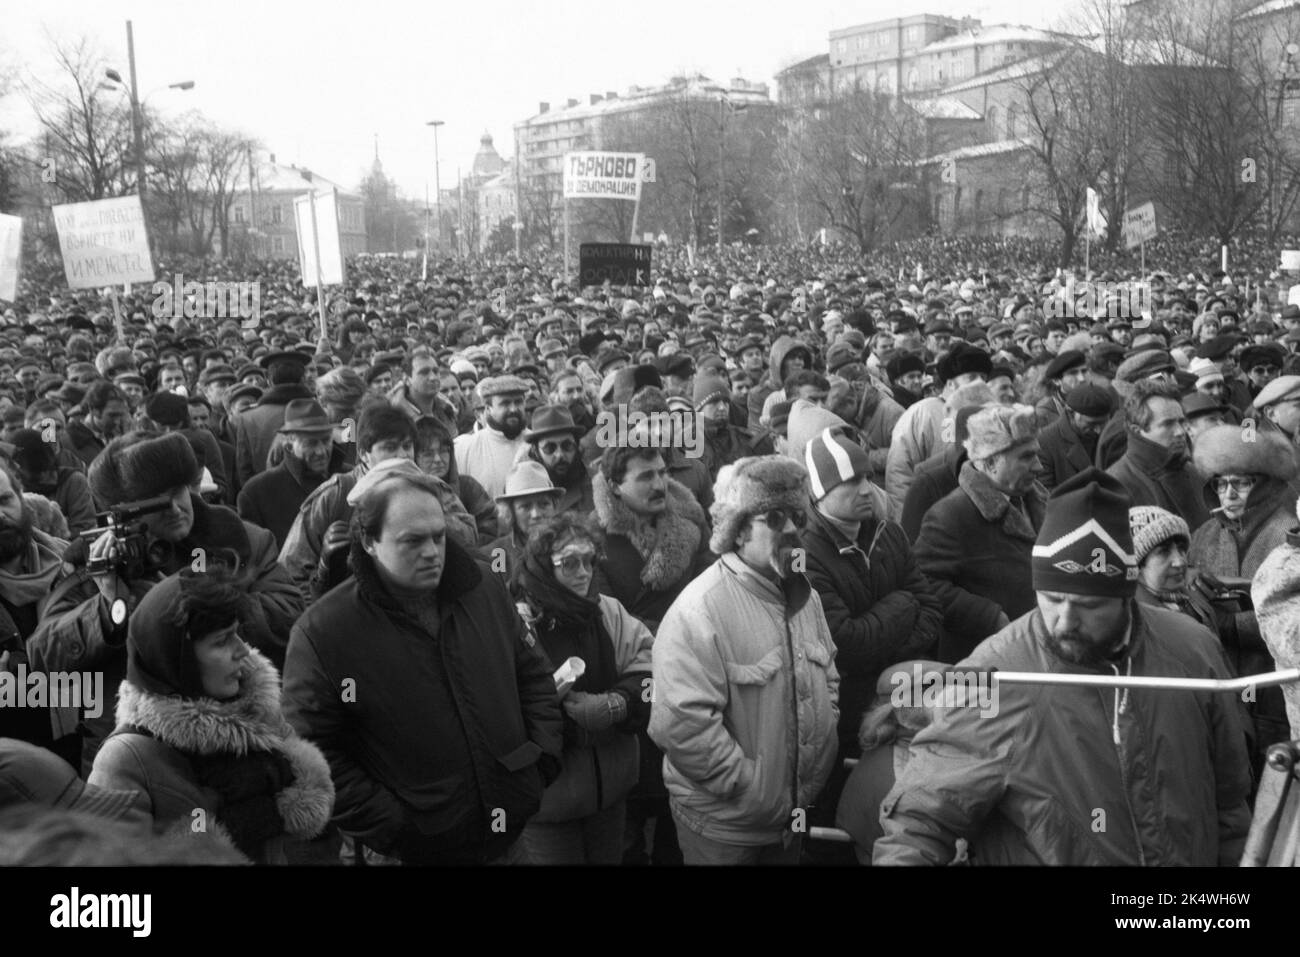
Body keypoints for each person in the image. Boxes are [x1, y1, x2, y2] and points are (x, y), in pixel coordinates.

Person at [873, 469, 1253, 865]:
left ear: (1127, 594)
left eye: (1088, 605)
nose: (1065, 621)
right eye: (1052, 597)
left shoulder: (1194, 650)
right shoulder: (992, 678)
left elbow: (1228, 803)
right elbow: (919, 826)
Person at [282, 470, 563, 865]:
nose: (432, 551)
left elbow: (532, 674)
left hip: (508, 836)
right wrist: (395, 825)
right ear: (369, 541)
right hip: (412, 852)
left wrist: (540, 763)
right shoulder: (324, 633)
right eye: (412, 541)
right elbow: (312, 751)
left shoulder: (482, 587)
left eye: (438, 536)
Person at [29, 431, 304, 771]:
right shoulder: (94, 561)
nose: (175, 509)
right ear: (120, 512)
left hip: (241, 737)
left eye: (179, 492)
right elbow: (43, 655)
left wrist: (200, 608)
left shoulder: (240, 540)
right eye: (156, 503)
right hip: (138, 755)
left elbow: (289, 617)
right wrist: (110, 610)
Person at [649, 455, 839, 865]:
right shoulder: (699, 610)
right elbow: (682, 726)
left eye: (796, 516)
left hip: (791, 818)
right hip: (727, 829)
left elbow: (829, 681)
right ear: (736, 530)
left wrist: (814, 761)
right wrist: (753, 789)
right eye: (772, 517)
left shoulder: (807, 597)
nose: (789, 528)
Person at [88, 571, 334, 864]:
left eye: (237, 633)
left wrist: (277, 810)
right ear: (180, 661)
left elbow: (313, 815)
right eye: (221, 641)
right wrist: (217, 836)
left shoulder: (256, 713)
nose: (242, 650)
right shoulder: (125, 759)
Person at [510, 513, 653, 865]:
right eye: (569, 563)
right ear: (545, 565)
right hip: (549, 802)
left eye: (590, 561)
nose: (584, 572)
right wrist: (571, 725)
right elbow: (501, 705)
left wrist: (620, 704)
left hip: (612, 791)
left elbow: (650, 667)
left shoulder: (608, 611)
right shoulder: (517, 623)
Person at [278, 404, 476, 603]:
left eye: (407, 446)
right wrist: (322, 586)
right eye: (390, 447)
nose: (402, 455)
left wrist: (429, 514)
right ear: (364, 453)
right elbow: (291, 572)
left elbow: (470, 540)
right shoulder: (336, 494)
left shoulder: (433, 488)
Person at [915, 404, 1046, 662]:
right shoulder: (949, 515)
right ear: (990, 461)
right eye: (1026, 457)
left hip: (1036, 651)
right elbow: (925, 583)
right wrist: (991, 617)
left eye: (1036, 455)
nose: (1039, 466)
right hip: (982, 663)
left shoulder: (1039, 499)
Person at [238, 399, 340, 550]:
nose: (321, 451)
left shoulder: (348, 478)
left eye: (326, 441)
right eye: (310, 444)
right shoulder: (257, 493)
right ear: (289, 445)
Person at [1107, 379, 1210, 528]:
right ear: (1138, 430)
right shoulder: (1115, 486)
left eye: (1181, 422)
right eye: (1168, 424)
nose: (1180, 432)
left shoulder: (1192, 471)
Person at [233, 351, 315, 484]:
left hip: (267, 495)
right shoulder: (323, 412)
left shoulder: (248, 418)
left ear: (268, 380)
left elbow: (244, 470)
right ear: (303, 378)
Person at [453, 375, 530, 499]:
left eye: (518, 402)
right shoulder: (464, 449)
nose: (513, 409)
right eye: (505, 403)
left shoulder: (539, 443)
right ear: (488, 409)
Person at [517, 404, 593, 516]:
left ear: (577, 445)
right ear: (536, 451)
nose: (559, 455)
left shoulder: (596, 484)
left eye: (567, 446)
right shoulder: (522, 489)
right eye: (549, 448)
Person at [1035, 382, 1112, 492]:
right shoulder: (1045, 442)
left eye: (1103, 423)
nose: (1099, 431)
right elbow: (1045, 494)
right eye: (1091, 424)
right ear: (1070, 413)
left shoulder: (1112, 436)